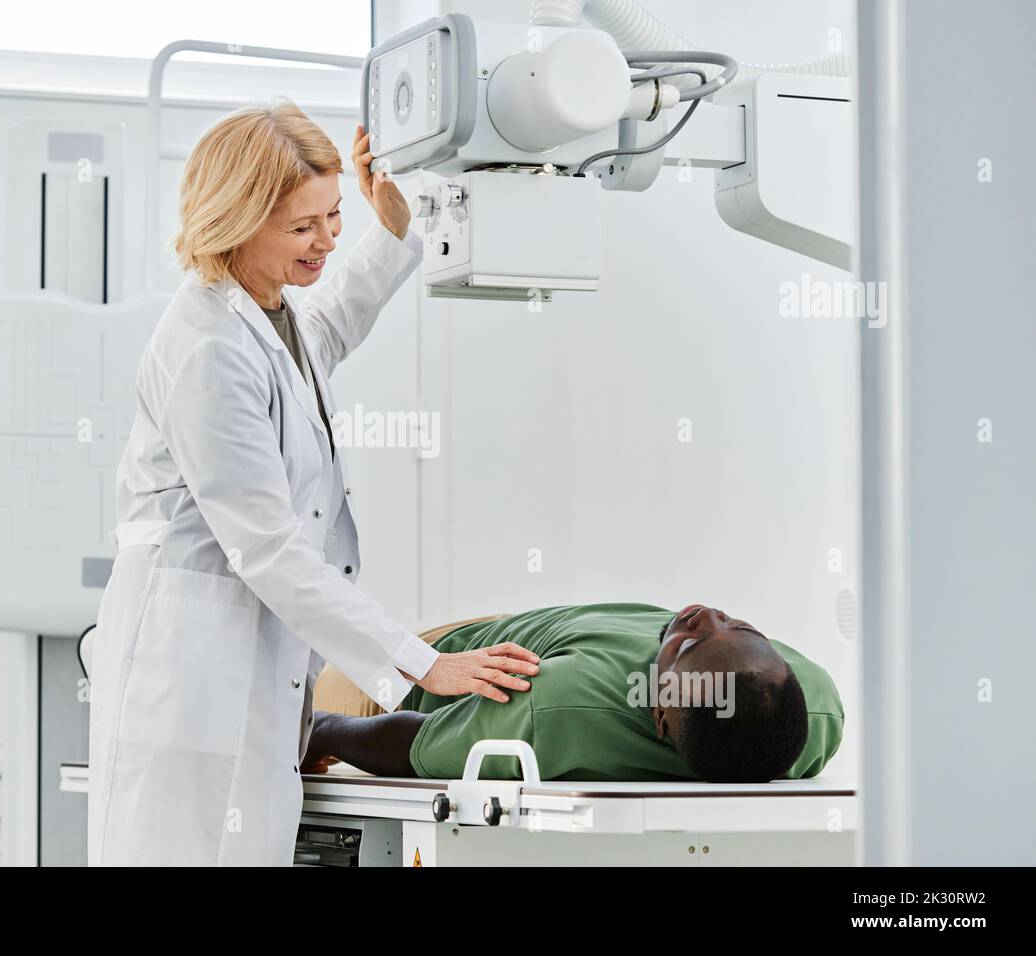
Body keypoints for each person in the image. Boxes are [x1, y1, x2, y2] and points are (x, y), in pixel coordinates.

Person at [86, 100, 539, 866]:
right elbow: (268, 550)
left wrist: (390, 228)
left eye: (333, 216)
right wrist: (424, 664)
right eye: (303, 226)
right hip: (193, 681)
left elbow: (327, 326)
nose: (327, 239)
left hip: (245, 676)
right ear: (236, 221)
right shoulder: (207, 348)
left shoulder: (268, 316)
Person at [305, 603, 844, 783]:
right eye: (740, 628)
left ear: (660, 714)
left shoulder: (556, 708)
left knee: (303, 684)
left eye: (687, 646)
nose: (704, 614)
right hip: (532, 630)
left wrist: (319, 728)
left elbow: (419, 745)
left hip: (418, 675)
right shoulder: (816, 708)